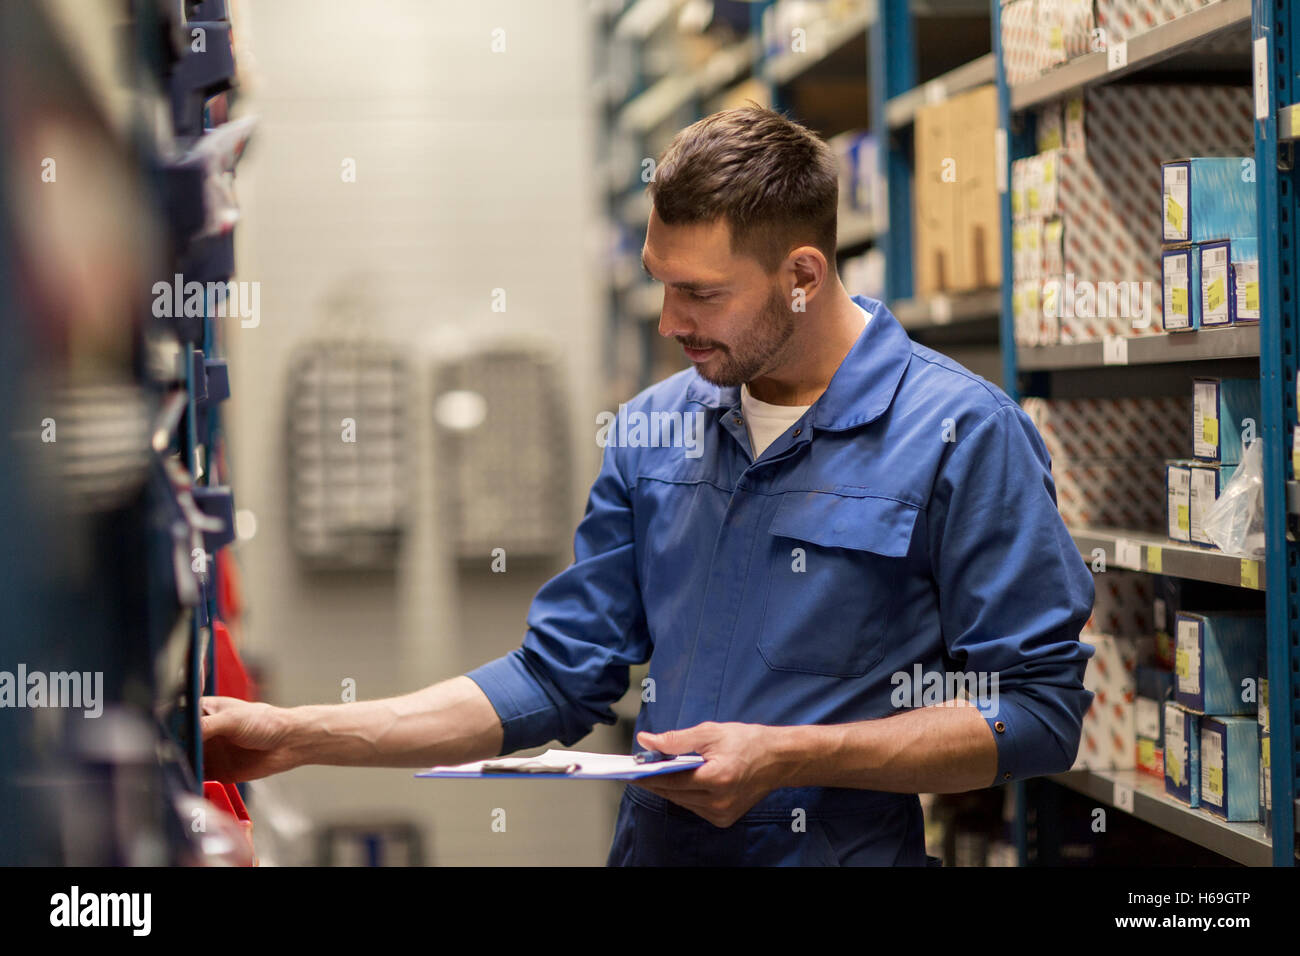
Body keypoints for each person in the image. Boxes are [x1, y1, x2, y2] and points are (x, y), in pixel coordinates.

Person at [202, 105, 1095, 866]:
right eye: (660, 285)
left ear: (801, 277)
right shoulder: (656, 427)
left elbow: (1038, 713)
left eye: (700, 294)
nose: (671, 322)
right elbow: (556, 677)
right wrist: (295, 735)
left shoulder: (960, 434)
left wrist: (789, 758)